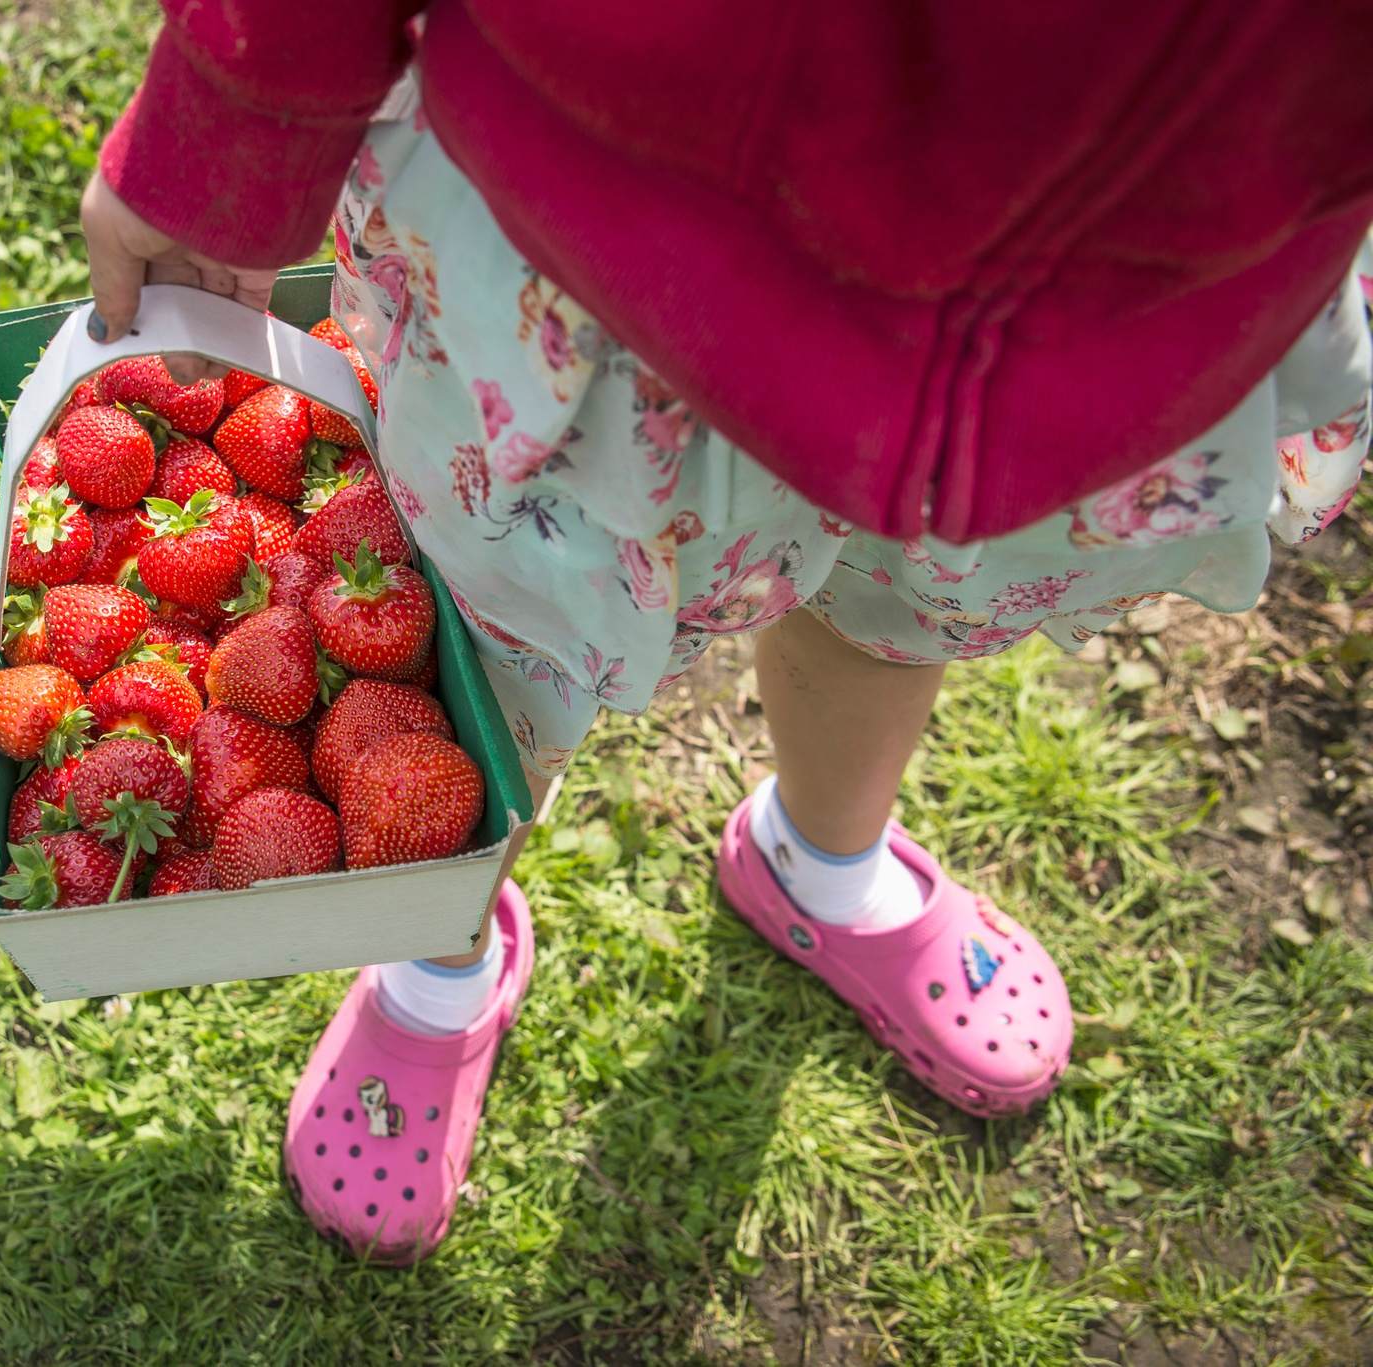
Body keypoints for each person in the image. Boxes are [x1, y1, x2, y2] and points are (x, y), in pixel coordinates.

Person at [76, 3, 1373, 1263]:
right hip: (602, 245)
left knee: (909, 598)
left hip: (1128, 294)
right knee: (483, 652)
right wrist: (229, 113)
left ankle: (823, 863)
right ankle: (438, 961)